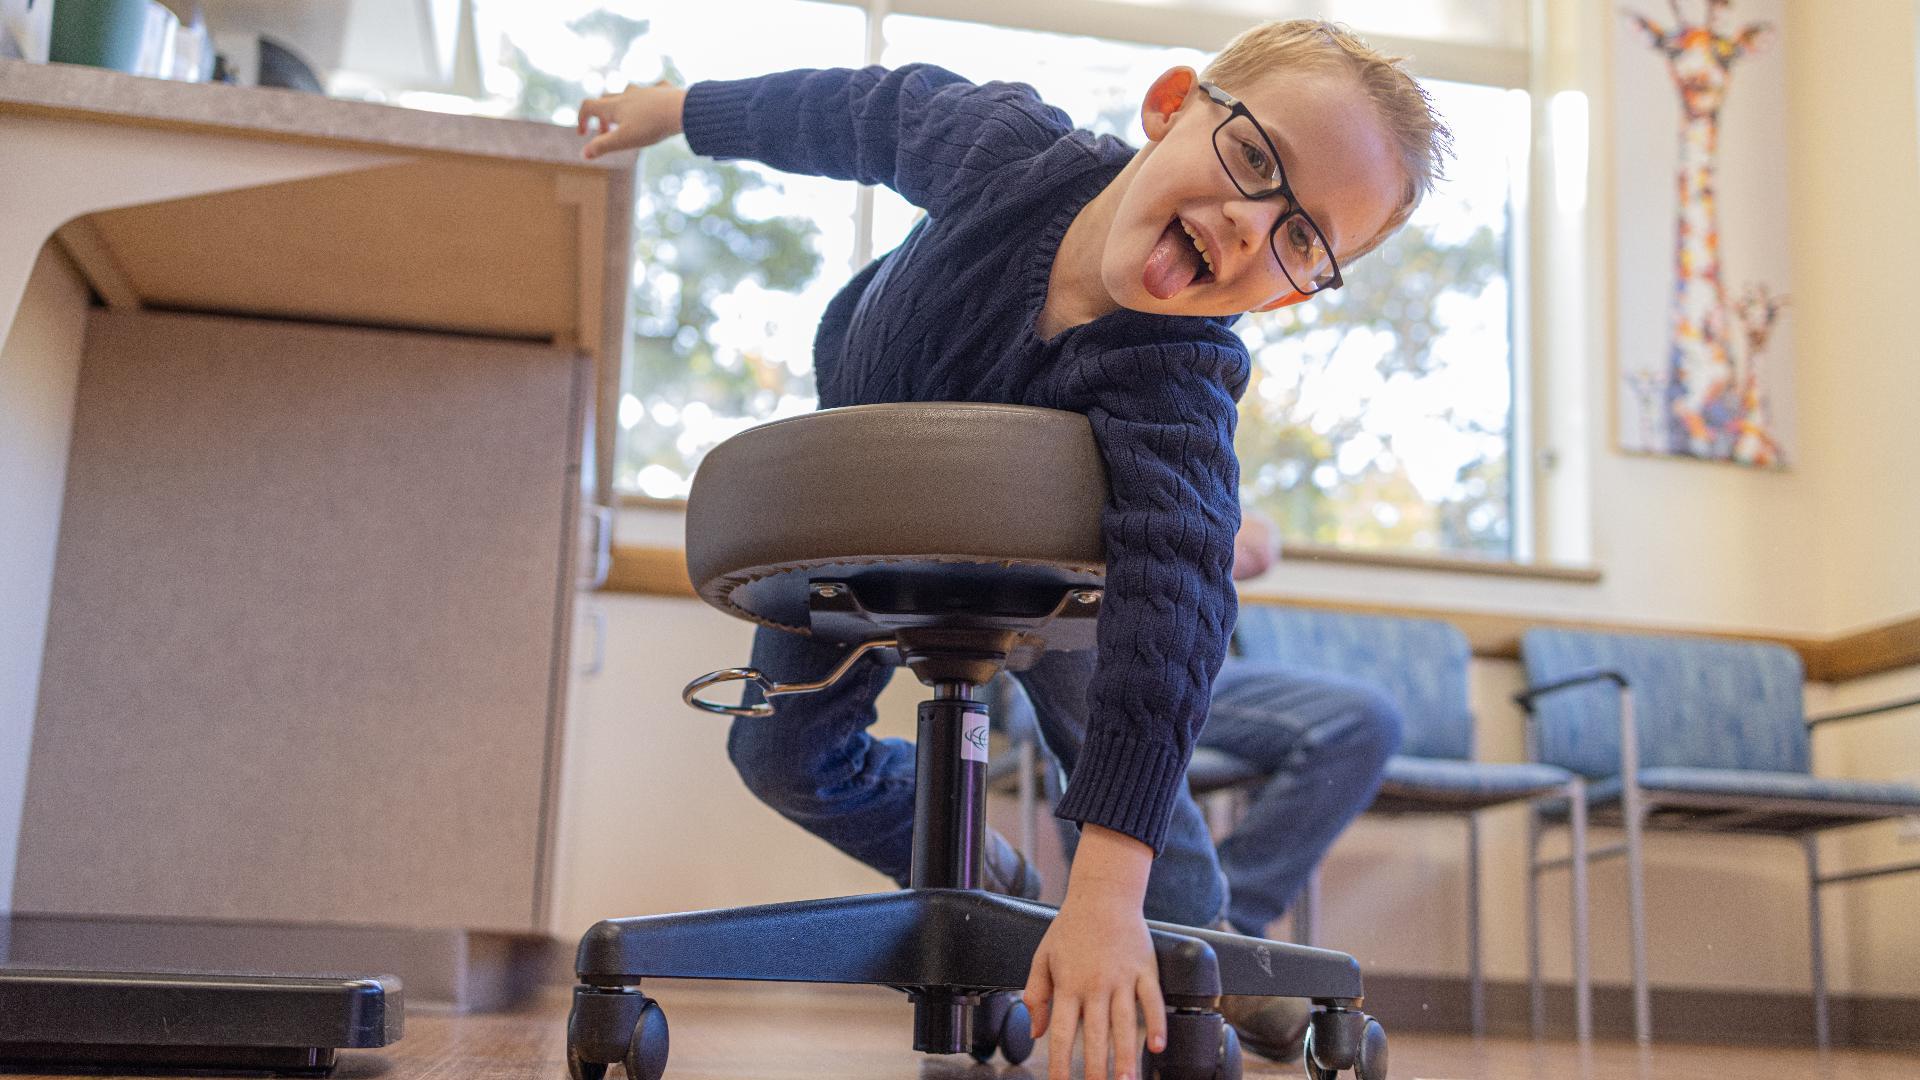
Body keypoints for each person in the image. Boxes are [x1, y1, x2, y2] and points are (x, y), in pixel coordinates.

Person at [576, 20, 1448, 1080]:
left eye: (1305, 241)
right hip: (864, 510)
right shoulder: (1006, 152)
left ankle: (1217, 961)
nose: (1253, 225)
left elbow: (1174, 610)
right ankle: (985, 883)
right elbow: (855, 109)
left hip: (1060, 585)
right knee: (781, 757)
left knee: (1146, 859)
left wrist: (1105, 898)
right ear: (1171, 105)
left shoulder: (1177, 375)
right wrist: (679, 109)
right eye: (1256, 161)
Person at [1010, 510, 1404, 1061]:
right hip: (1049, 640)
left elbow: (1259, 542)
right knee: (1095, 694)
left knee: (1365, 720)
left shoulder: (1171, 434)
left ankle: (1221, 930)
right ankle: (1194, 930)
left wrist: (1174, 538)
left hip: (1179, 643)